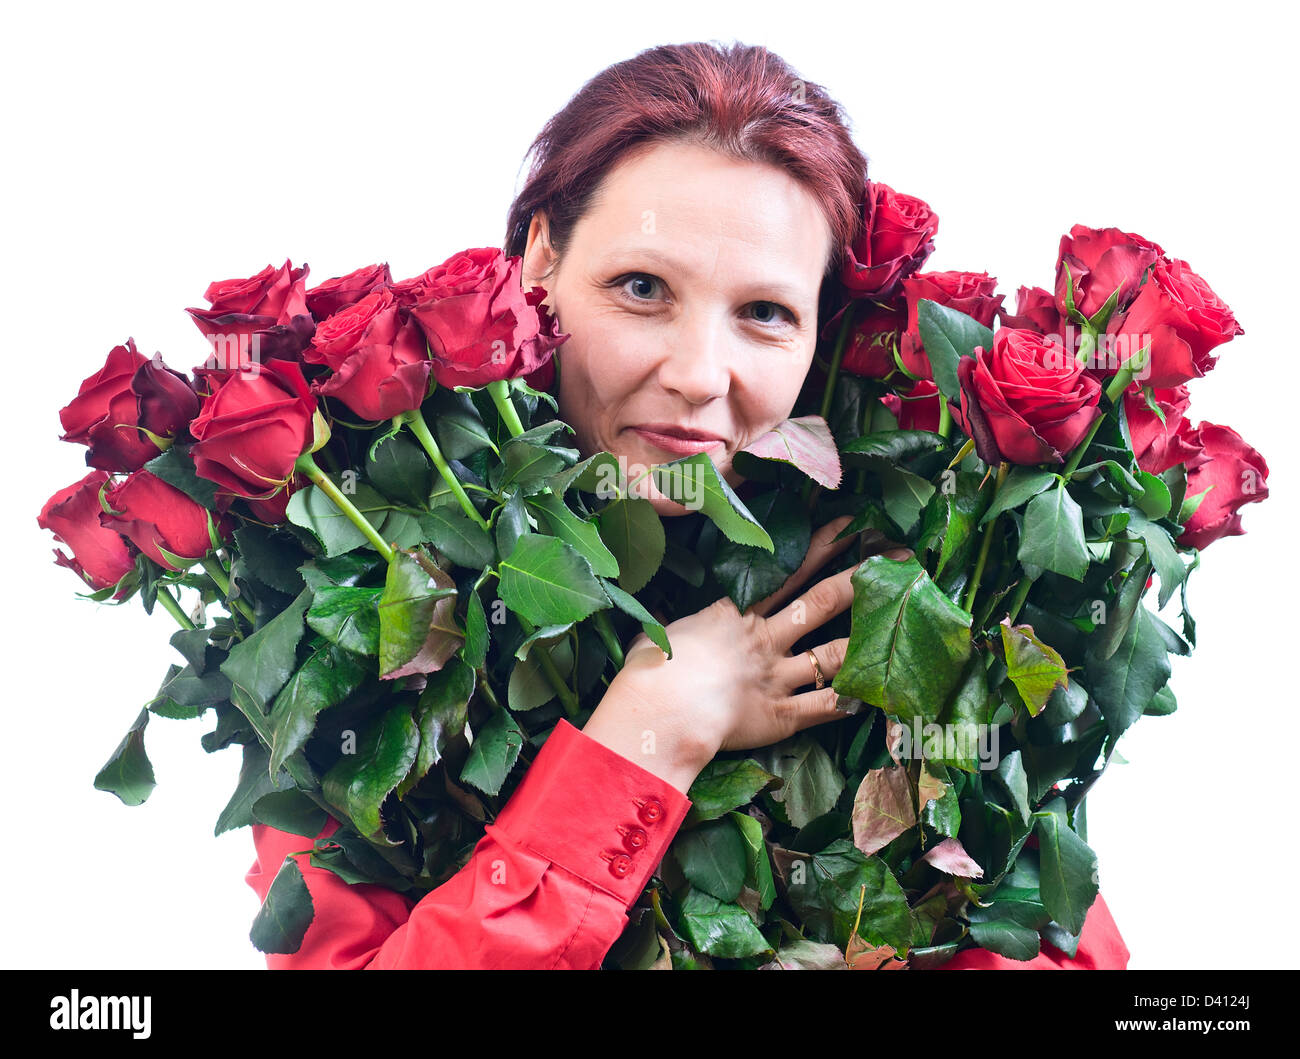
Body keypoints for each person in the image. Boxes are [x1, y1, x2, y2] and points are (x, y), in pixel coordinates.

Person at [246, 40, 1130, 971]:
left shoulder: (931, 579)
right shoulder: (352, 607)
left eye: (765, 313)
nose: (701, 376)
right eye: (641, 288)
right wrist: (645, 742)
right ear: (541, 257)